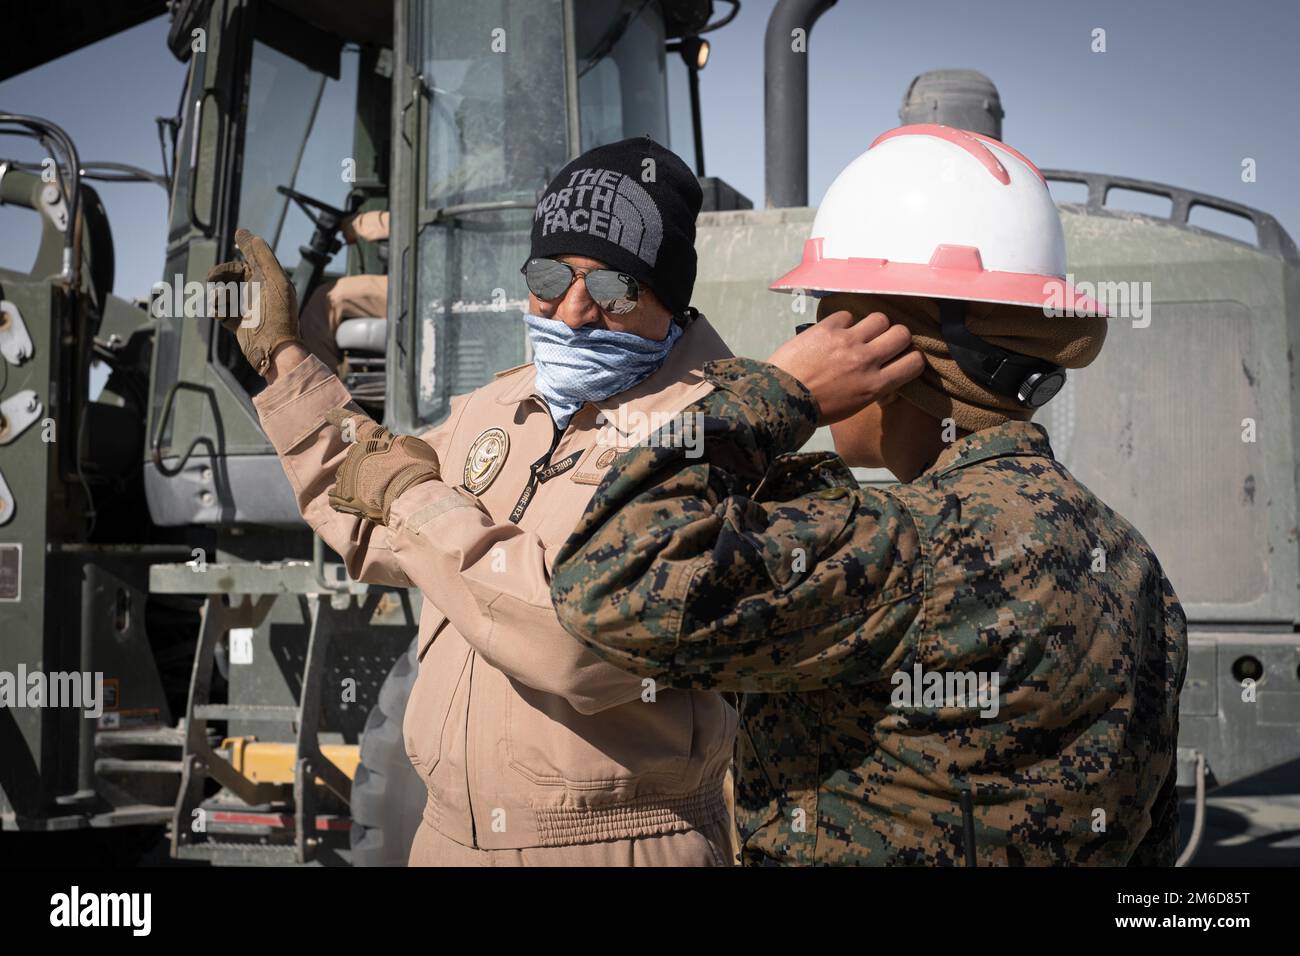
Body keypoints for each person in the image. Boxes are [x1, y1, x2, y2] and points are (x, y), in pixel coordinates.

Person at [551, 124, 1188, 866]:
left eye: (823, 334)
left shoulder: (903, 547)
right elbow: (1150, 838)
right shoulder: (1129, 559)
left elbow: (609, 583)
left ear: (892, 355)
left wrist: (779, 393)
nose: (813, 355)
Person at [208, 138, 742, 866]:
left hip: (615, 846)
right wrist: (286, 361)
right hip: (450, 838)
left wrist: (413, 498)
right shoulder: (499, 407)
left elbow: (575, 644)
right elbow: (376, 511)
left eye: (615, 287)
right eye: (550, 276)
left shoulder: (713, 432)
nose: (574, 311)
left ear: (669, 300)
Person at [298, 209, 389, 369]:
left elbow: (403, 223)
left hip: (428, 288)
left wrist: (357, 223)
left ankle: (324, 388)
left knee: (328, 300)